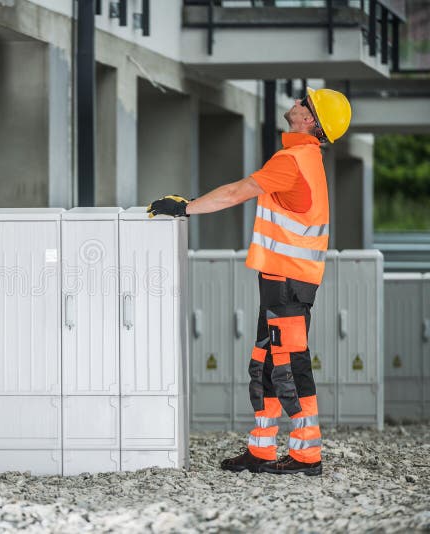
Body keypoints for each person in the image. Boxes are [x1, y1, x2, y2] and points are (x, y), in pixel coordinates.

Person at [147, 88, 352, 476]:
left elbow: (236, 192)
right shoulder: (305, 159)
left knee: (289, 364)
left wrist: (185, 208)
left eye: (303, 102)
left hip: (288, 282)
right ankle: (261, 449)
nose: (296, 103)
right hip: (281, 280)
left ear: (310, 120)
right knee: (266, 364)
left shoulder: (293, 160)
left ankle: (307, 455)